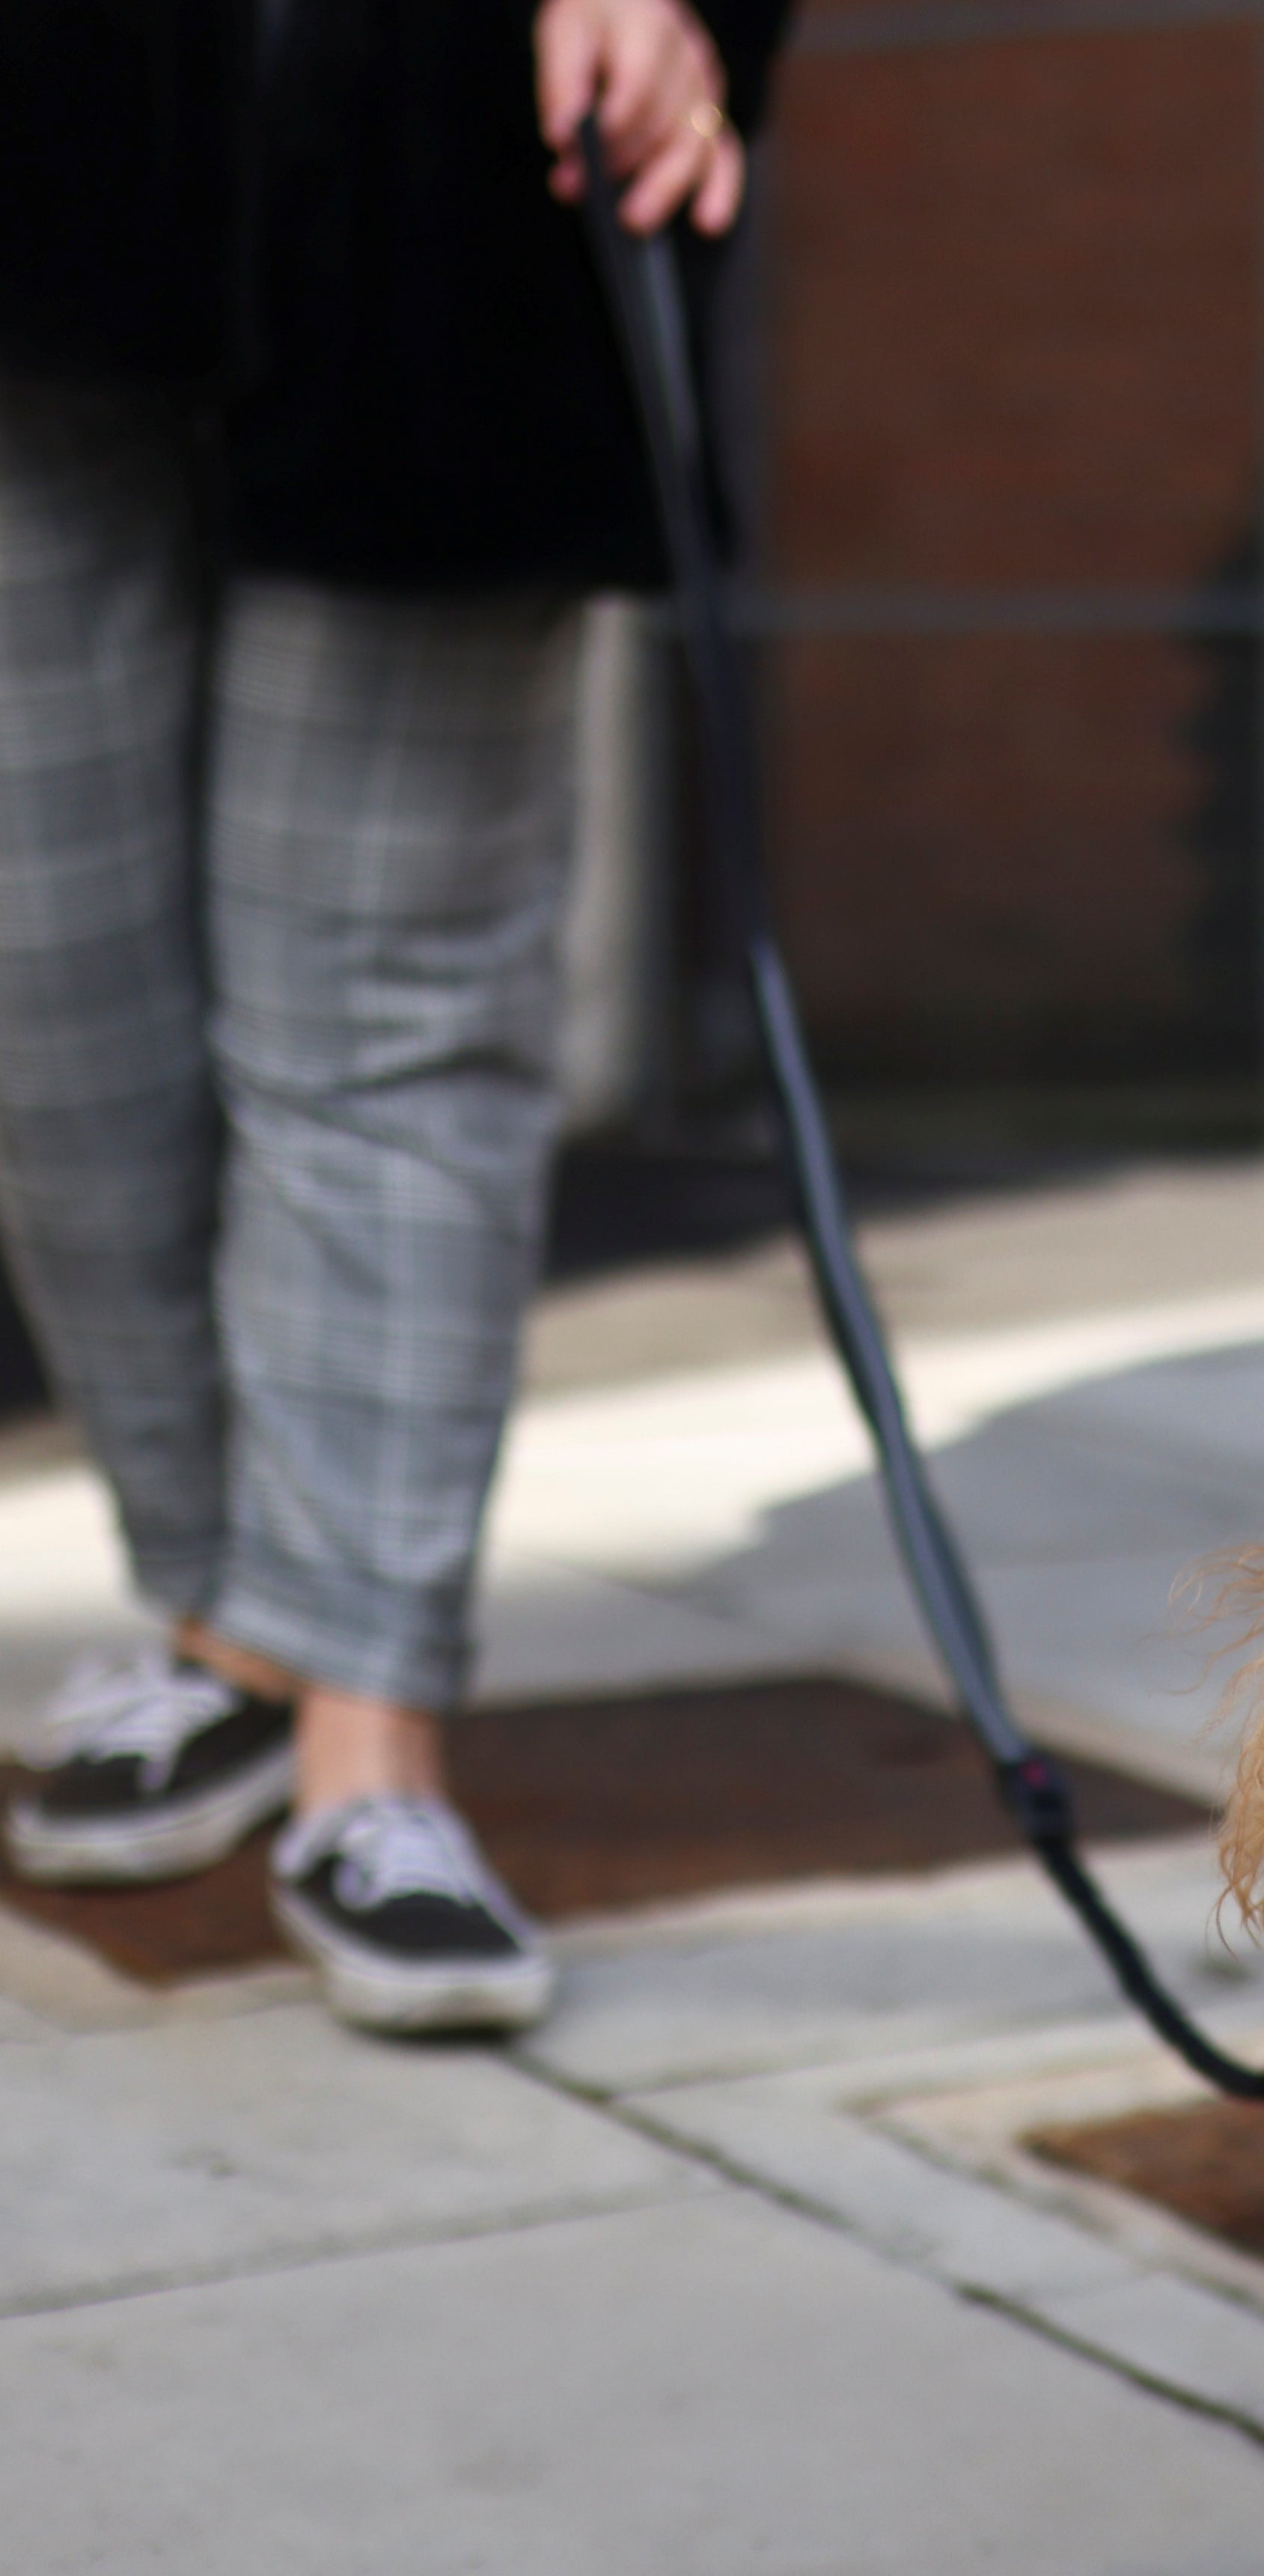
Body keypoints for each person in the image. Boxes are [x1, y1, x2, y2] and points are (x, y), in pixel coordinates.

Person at [0, 0, 781, 2032]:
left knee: (383, 993)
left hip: (447, 165)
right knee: (44, 968)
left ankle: (365, 1730)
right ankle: (227, 1623)